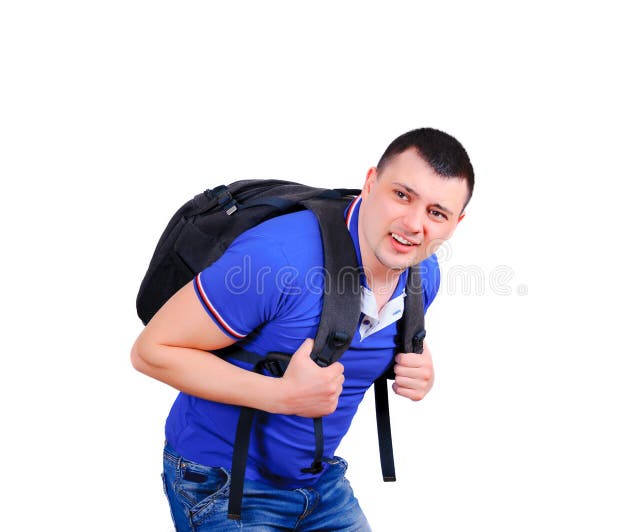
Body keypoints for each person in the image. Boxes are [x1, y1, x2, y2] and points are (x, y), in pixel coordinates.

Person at [131, 127, 475, 531]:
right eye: (402, 195)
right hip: (222, 480)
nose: (415, 224)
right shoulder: (276, 260)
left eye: (437, 213)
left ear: (456, 222)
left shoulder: (422, 275)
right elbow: (151, 350)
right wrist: (282, 395)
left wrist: (413, 359)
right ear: (370, 183)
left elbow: (357, 336)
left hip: (320, 481)